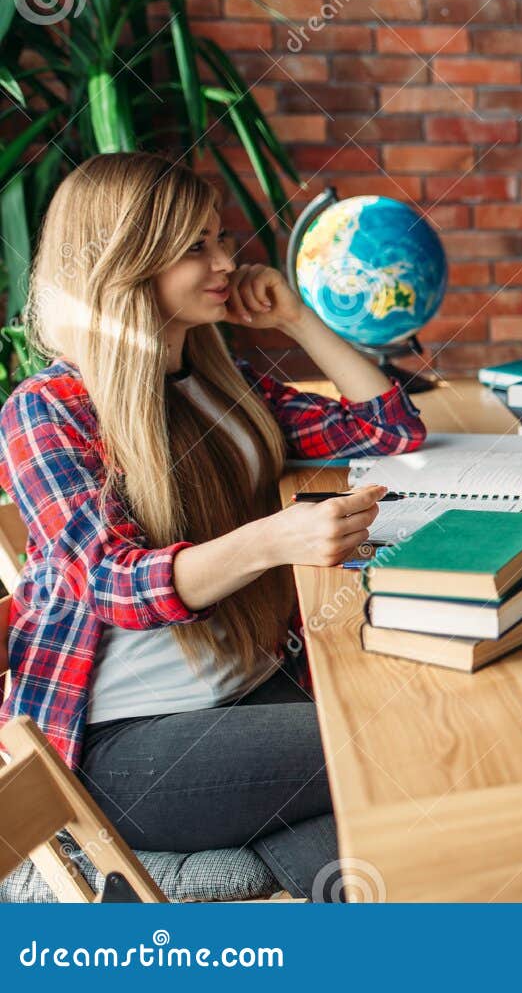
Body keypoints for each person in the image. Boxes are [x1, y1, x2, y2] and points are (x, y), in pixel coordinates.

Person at [0, 153, 426, 901]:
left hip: (252, 695)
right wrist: (275, 540)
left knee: (375, 875)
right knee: (398, 734)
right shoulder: (47, 409)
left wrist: (296, 318)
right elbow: (112, 584)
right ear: (125, 261)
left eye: (220, 236)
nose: (227, 261)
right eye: (194, 246)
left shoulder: (219, 381)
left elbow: (388, 428)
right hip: (126, 747)